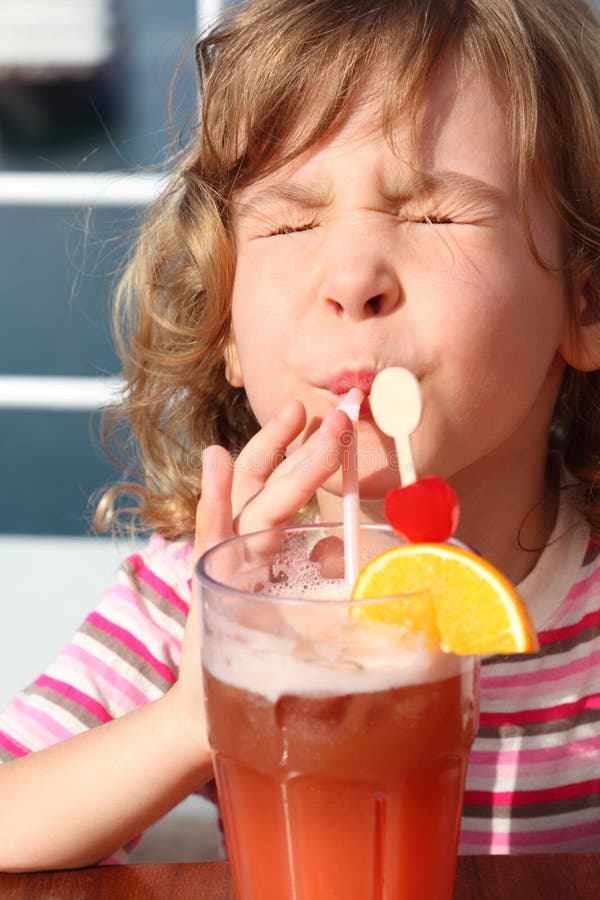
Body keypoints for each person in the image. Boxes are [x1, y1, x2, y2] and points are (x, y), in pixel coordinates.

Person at [1, 0, 600, 871]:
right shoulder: (206, 602)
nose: (352, 278)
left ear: (585, 303)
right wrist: (202, 711)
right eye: (288, 223)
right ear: (229, 330)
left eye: (434, 216)